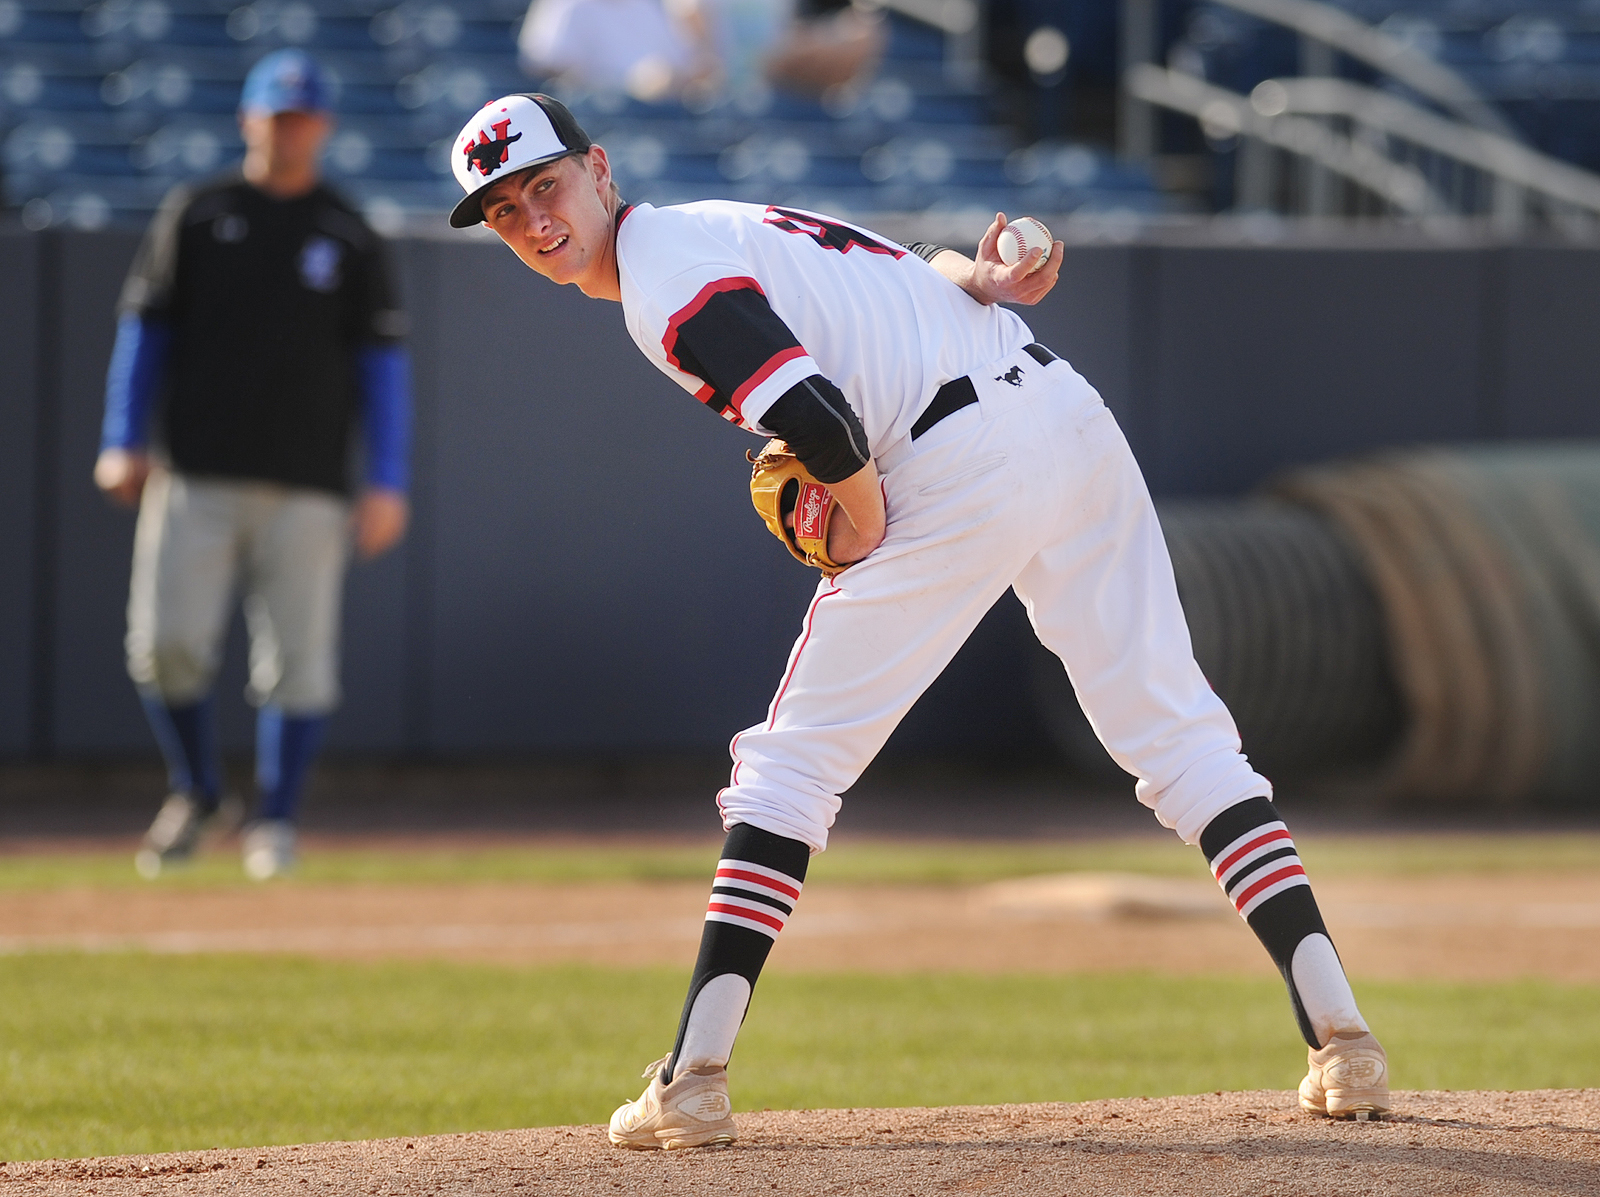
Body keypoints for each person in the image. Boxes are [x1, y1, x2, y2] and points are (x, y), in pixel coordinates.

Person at [447, 92, 1390, 1147]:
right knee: (1180, 737)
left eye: (545, 185)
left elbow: (820, 420)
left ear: (598, 170)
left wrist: (861, 519)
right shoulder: (716, 224)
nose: (534, 219)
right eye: (505, 211)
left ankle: (693, 1078)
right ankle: (1343, 1039)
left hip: (953, 457)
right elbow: (909, 274)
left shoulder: (662, 280)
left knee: (788, 770)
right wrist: (978, 280)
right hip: (1059, 408)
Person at [94, 49, 412, 880]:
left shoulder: (347, 230)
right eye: (277, 117)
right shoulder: (199, 212)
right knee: (164, 646)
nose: (288, 132)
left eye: (302, 119)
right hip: (194, 470)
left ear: (324, 126)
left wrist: (388, 477)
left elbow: (383, 364)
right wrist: (121, 436)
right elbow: (145, 329)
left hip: (309, 481)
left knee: (299, 664)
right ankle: (197, 789)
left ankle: (275, 818)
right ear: (249, 120)